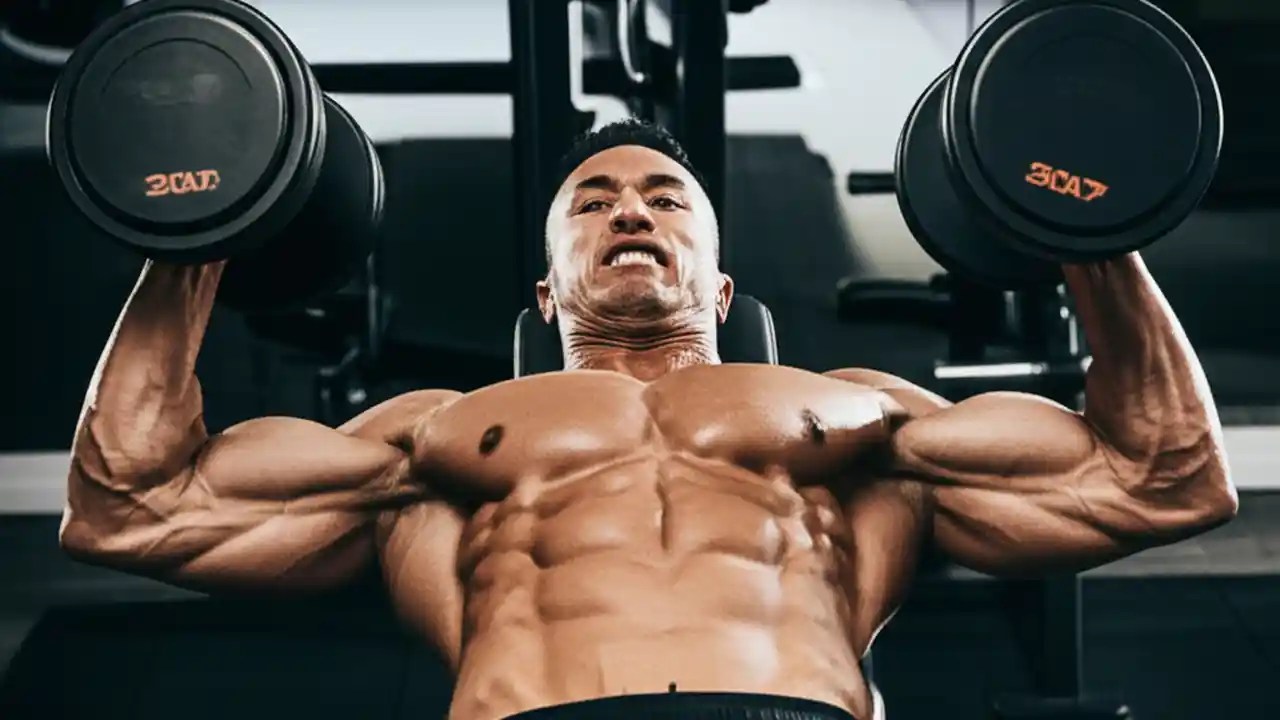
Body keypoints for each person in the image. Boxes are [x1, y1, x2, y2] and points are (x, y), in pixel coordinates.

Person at [58, 118, 1237, 720]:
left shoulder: (860, 416)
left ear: (719, 285)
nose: (633, 210)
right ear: (544, 286)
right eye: (595, 200)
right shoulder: (429, 433)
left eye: (665, 197)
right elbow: (131, 506)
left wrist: (1091, 235)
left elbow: (1162, 477)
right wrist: (195, 239)